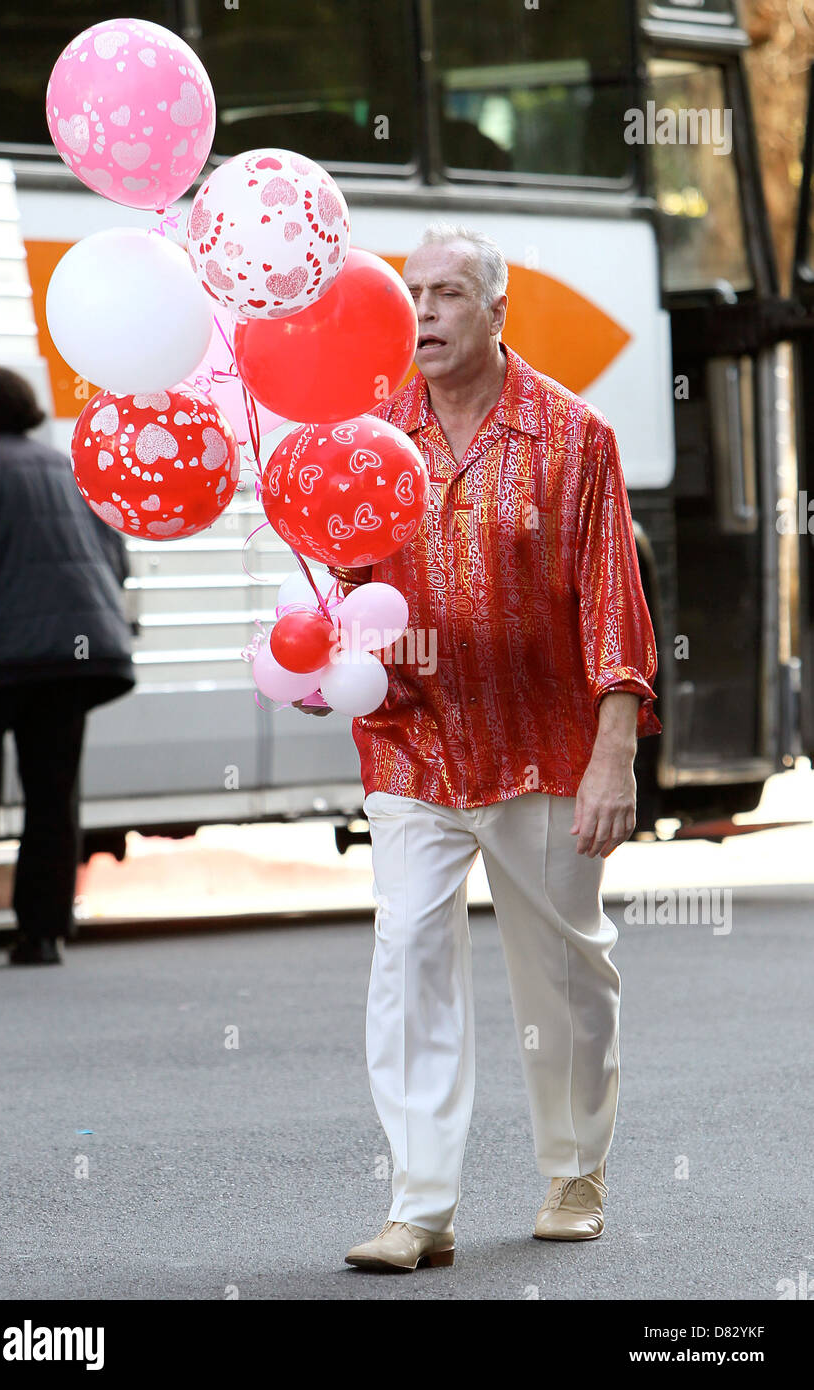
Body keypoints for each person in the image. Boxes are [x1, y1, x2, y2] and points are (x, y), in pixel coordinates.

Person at [297, 223, 661, 1269]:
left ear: (499, 311)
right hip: (410, 739)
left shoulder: (572, 435)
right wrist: (327, 660)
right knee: (407, 955)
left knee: (564, 969)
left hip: (542, 745)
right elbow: (348, 591)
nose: (424, 312)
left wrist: (613, 752)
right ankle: (420, 1204)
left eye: (448, 294)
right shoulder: (369, 432)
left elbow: (610, 603)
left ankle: (574, 1171)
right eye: (412, 292)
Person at [0, 366, 136, 966]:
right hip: (72, 659)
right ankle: (44, 933)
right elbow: (116, 561)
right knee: (53, 795)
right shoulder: (70, 471)